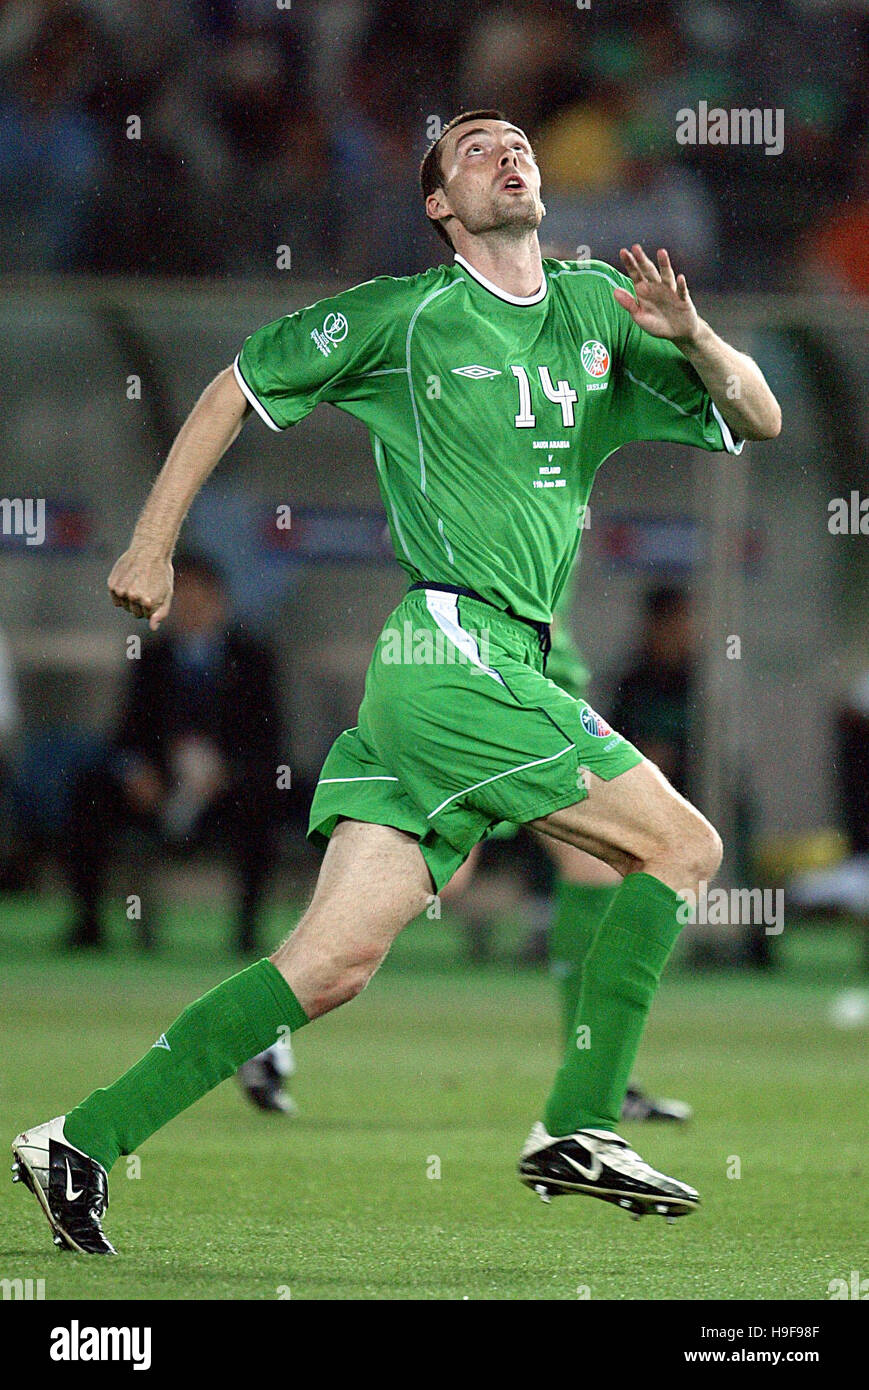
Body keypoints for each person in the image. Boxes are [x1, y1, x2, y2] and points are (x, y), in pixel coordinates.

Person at [12, 109, 781, 1254]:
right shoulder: (404, 317)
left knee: (326, 967)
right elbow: (233, 383)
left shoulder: (593, 310)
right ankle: (576, 1121)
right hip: (448, 649)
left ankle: (76, 1137)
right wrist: (150, 543)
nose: (506, 153)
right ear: (437, 205)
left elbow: (756, 413)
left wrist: (694, 332)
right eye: (472, 147)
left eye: (517, 141)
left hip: (479, 662)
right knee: (686, 847)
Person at [61, 551, 284, 958]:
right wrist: (135, 771)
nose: (191, 606)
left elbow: (269, 743)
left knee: (263, 799)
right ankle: (88, 924)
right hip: (158, 786)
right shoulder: (150, 657)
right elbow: (126, 734)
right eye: (182, 596)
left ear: (221, 601)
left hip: (224, 791)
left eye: (201, 595)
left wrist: (226, 773)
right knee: (89, 790)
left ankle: (246, 933)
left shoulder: (253, 659)